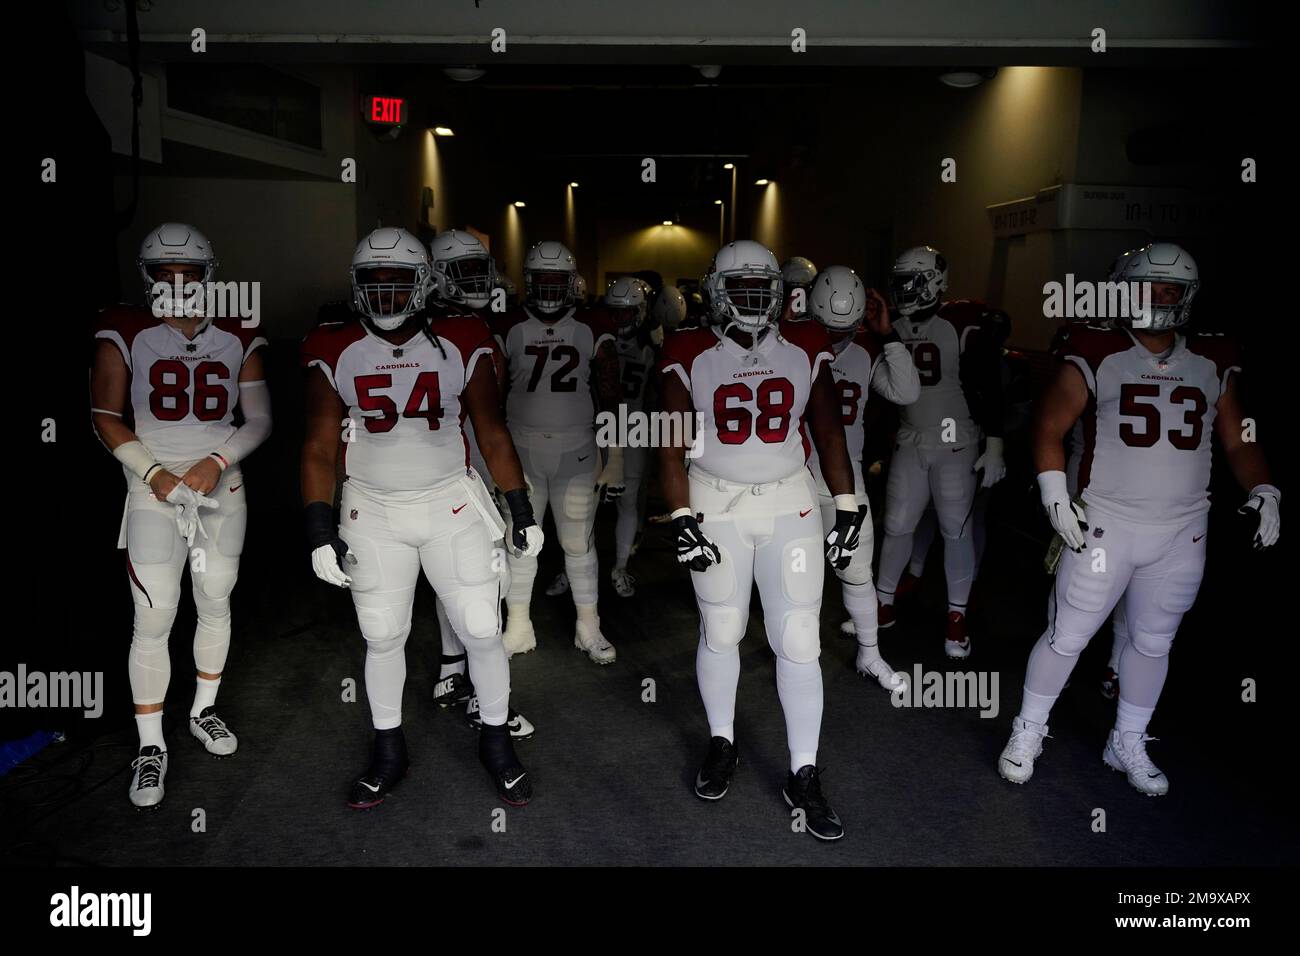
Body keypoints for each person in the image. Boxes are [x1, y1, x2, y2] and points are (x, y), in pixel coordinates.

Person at [998, 242, 1280, 795]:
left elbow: (1238, 436)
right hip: (1106, 521)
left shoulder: (1211, 359)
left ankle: (1127, 738)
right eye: (1153, 286)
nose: (1162, 298)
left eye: (1173, 289)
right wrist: (1055, 490)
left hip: (1182, 528)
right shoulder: (1096, 349)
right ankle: (1027, 730)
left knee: (1154, 642)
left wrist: (1265, 486)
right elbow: (1051, 426)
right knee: (1068, 634)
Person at [301, 227, 543, 808]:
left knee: (482, 624)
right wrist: (317, 527)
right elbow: (317, 445)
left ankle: (495, 740)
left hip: (449, 502)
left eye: (397, 280)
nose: (384, 294)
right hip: (371, 508)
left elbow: (490, 430)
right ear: (355, 287)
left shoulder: (462, 335)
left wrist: (519, 506)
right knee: (382, 633)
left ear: (424, 284)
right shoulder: (331, 344)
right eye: (373, 282)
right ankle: (389, 749)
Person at [658, 240, 869, 841]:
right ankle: (721, 740)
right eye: (740, 288)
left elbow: (829, 434)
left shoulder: (806, 345)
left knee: (800, 636)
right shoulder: (687, 350)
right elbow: (670, 443)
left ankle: (804, 770)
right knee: (721, 627)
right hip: (714, 500)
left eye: (761, 287)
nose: (752, 300)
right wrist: (679, 518)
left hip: (788, 499)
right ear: (717, 291)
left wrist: (847, 507)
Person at [90, 222, 272, 808]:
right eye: (163, 274)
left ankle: (202, 710)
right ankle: (150, 745)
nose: (175, 283)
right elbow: (103, 414)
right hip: (153, 488)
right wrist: (155, 473)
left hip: (222, 484)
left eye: (187, 273)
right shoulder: (123, 330)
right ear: (144, 277)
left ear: (208, 276)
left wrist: (216, 460)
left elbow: (260, 419)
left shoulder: (239, 331)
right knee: (156, 611)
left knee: (216, 597)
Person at [491, 241, 624, 664]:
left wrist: (616, 453)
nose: (548, 288)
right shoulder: (508, 324)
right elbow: (490, 398)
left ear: (572, 284)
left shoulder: (590, 326)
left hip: (577, 451)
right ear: (528, 282)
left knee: (577, 542)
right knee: (521, 540)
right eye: (541, 280)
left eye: (556, 280)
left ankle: (589, 626)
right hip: (520, 450)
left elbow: (610, 394)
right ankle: (518, 626)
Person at [875, 246, 1006, 658]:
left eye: (911, 282)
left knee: (956, 528)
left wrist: (996, 443)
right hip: (911, 439)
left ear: (934, 281)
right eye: (899, 283)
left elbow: (990, 386)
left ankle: (956, 617)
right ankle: (881, 604)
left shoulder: (962, 325)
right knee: (896, 523)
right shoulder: (891, 325)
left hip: (956, 443)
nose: (903, 291)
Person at [806, 266, 920, 690]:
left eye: (847, 328)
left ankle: (870, 655)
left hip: (845, 477)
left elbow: (907, 392)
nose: (838, 338)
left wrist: (887, 335)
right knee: (798, 577)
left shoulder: (867, 349)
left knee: (856, 572)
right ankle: (797, 656)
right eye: (830, 329)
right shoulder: (789, 343)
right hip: (792, 476)